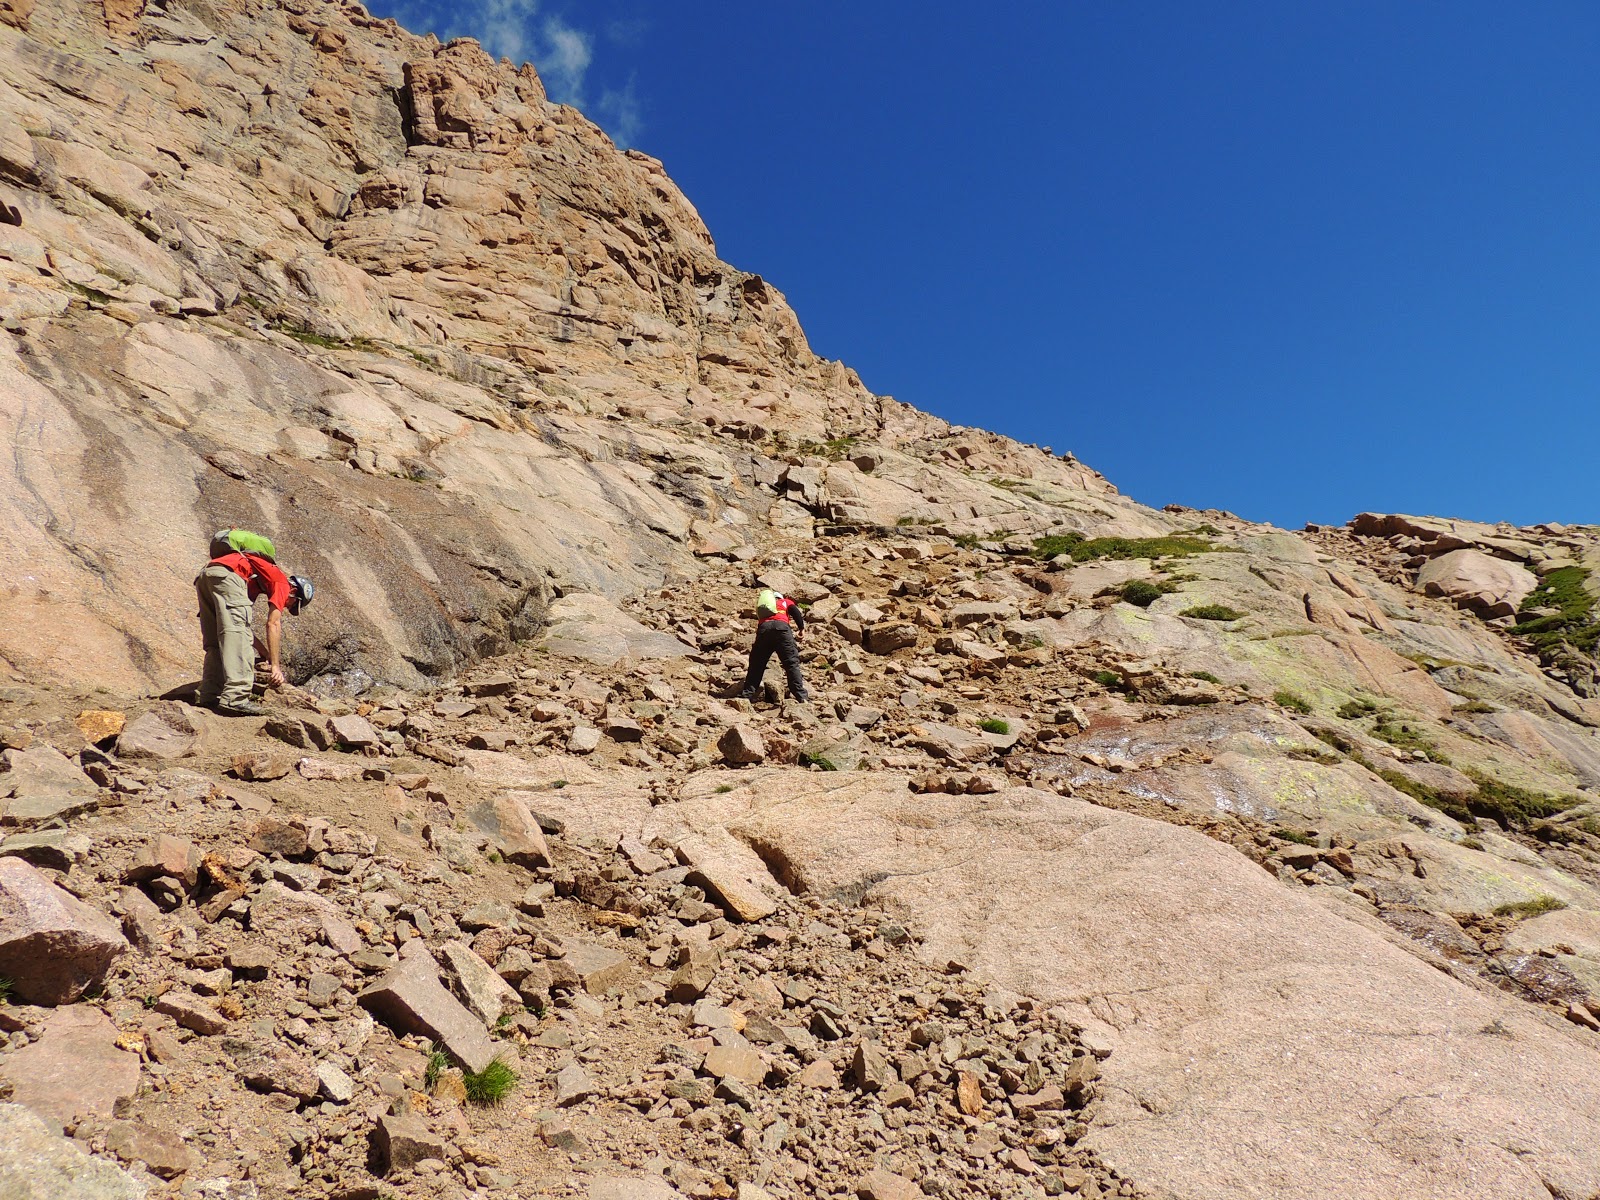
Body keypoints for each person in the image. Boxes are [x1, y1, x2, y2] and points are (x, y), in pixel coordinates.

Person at [196, 529, 313, 716]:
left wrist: (265, 652)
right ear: (294, 592)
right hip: (227, 576)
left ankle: (209, 694)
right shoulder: (282, 582)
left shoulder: (252, 580)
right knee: (237, 638)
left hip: (207, 575)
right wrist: (275, 665)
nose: (287, 607)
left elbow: (242, 628)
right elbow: (272, 624)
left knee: (217, 643)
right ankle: (236, 697)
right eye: (292, 604)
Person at [738, 588, 810, 703]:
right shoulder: (785, 602)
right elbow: (796, 613)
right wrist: (801, 629)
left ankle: (746, 695)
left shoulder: (765, 607)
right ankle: (801, 696)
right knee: (791, 663)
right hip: (782, 629)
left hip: (764, 629)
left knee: (757, 664)